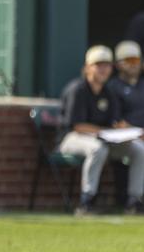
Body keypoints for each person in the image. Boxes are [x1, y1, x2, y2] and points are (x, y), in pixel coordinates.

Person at [58, 45, 144, 216]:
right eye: (99, 65)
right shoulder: (78, 89)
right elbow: (78, 126)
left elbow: (113, 123)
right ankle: (86, 201)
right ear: (88, 67)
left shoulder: (108, 91)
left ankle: (134, 201)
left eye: (107, 65)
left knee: (139, 150)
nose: (103, 69)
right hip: (71, 139)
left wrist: (127, 130)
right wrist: (104, 131)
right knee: (98, 148)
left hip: (104, 139)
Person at [106, 41, 144, 208]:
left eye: (136, 60)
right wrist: (137, 133)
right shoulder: (112, 87)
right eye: (129, 61)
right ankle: (134, 200)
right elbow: (115, 123)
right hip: (127, 138)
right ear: (119, 64)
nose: (133, 65)